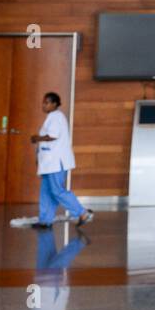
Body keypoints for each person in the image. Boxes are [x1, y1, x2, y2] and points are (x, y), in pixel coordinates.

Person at [29, 91, 93, 230]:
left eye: (46, 102)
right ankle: (45, 220)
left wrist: (36, 138)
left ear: (54, 104)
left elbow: (52, 136)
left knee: (57, 191)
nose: (43, 105)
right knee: (46, 191)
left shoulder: (56, 117)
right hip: (48, 163)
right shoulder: (52, 117)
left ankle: (82, 213)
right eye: (43, 102)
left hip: (56, 163)